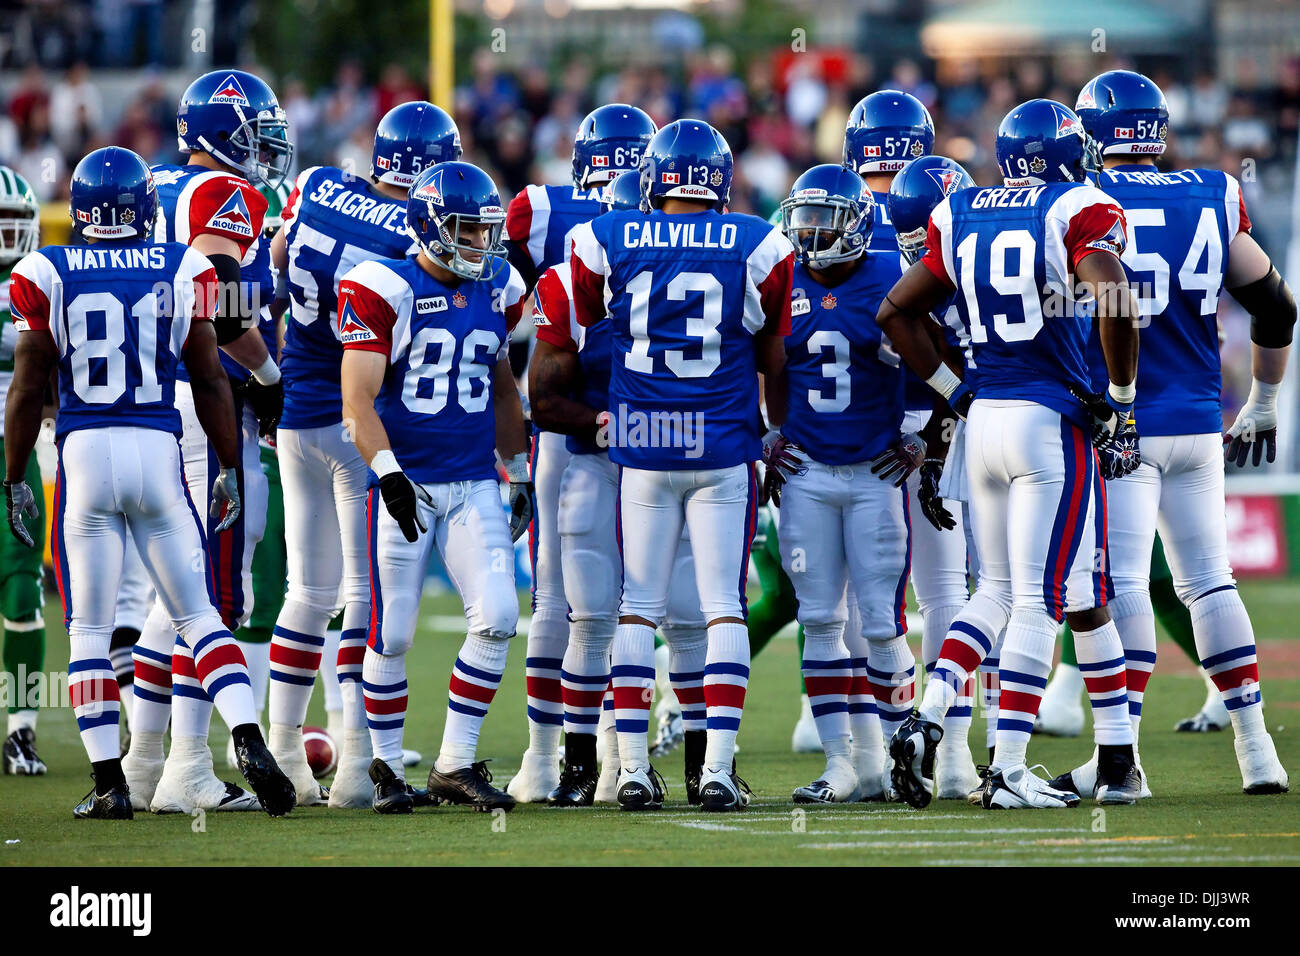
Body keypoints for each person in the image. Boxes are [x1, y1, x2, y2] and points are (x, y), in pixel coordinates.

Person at [3, 146, 295, 819]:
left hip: (85, 454)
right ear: (146, 209)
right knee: (198, 612)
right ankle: (247, 738)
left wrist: (15, 476)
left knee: (88, 628)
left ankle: (111, 786)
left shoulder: (45, 268)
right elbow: (214, 375)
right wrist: (227, 465)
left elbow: (25, 389)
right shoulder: (183, 266)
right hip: (159, 448)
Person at [877, 99, 1144, 809]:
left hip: (983, 417)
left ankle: (927, 715)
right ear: (1066, 152)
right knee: (1040, 600)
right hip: (1047, 420)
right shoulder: (1078, 205)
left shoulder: (961, 208)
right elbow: (1114, 297)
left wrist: (952, 392)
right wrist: (1119, 399)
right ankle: (1010, 770)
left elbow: (895, 311)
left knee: (994, 591)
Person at [1048, 70, 1291, 796]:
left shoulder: (1077, 205)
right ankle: (1258, 753)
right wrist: (1266, 399)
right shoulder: (1213, 191)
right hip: (1196, 419)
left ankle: (1120, 762)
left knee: (1121, 586)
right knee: (1208, 581)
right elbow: (1276, 305)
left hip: (1122, 422)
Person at [569, 119, 794, 811]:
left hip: (641, 444)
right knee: (722, 605)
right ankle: (717, 771)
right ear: (720, 179)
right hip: (723, 443)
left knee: (638, 608)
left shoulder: (603, 238)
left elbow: (589, 324)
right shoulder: (759, 241)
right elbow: (772, 351)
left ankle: (632, 769)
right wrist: (775, 427)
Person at [266, 100, 463, 808]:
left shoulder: (319, 185)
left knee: (305, 593)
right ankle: (354, 767)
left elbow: (279, 258)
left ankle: (285, 753)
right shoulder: (412, 233)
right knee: (360, 598)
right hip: (356, 424)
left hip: (295, 410)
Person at [121, 69, 294, 814]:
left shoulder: (152, 184)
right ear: (226, 134)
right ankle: (188, 770)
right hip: (208, 402)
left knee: (178, 592)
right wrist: (272, 373)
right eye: (258, 133)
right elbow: (219, 308)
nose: (269, 150)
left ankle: (140, 763)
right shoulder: (224, 195)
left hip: (152, 400)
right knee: (218, 594)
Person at [338, 161, 531, 813]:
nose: (482, 243)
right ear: (430, 228)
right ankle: (387, 771)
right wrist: (389, 474)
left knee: (500, 616)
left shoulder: (498, 287)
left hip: (475, 480)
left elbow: (503, 387)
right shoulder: (385, 285)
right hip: (408, 482)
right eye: (468, 231)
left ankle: (453, 763)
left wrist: (521, 468)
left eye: (485, 230)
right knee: (391, 633)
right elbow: (357, 401)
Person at [529, 170, 710, 806]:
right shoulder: (571, 288)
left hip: (673, 468)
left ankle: (699, 767)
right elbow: (544, 401)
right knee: (592, 619)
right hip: (599, 466)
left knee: (689, 618)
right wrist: (608, 422)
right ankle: (583, 769)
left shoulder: (697, 282)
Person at [503, 104, 657, 803]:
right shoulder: (669, 222)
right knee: (631, 601)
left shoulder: (542, 210)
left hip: (567, 419)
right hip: (624, 423)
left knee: (561, 602)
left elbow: (504, 306)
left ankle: (553, 759)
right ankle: (597, 755)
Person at [767, 163, 918, 803]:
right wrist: (767, 432)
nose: (807, 233)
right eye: (801, 218)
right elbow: (754, 358)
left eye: (822, 220)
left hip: (872, 472)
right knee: (822, 619)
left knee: (882, 625)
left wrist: (916, 431)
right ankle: (842, 765)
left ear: (855, 222)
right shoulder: (778, 279)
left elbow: (941, 353)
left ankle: (898, 757)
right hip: (806, 473)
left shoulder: (891, 275)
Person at [0, 166, 45, 776]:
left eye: (17, 225)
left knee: (21, 587)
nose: (10, 237)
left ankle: (21, 729)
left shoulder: (35, 282)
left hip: (16, 449)